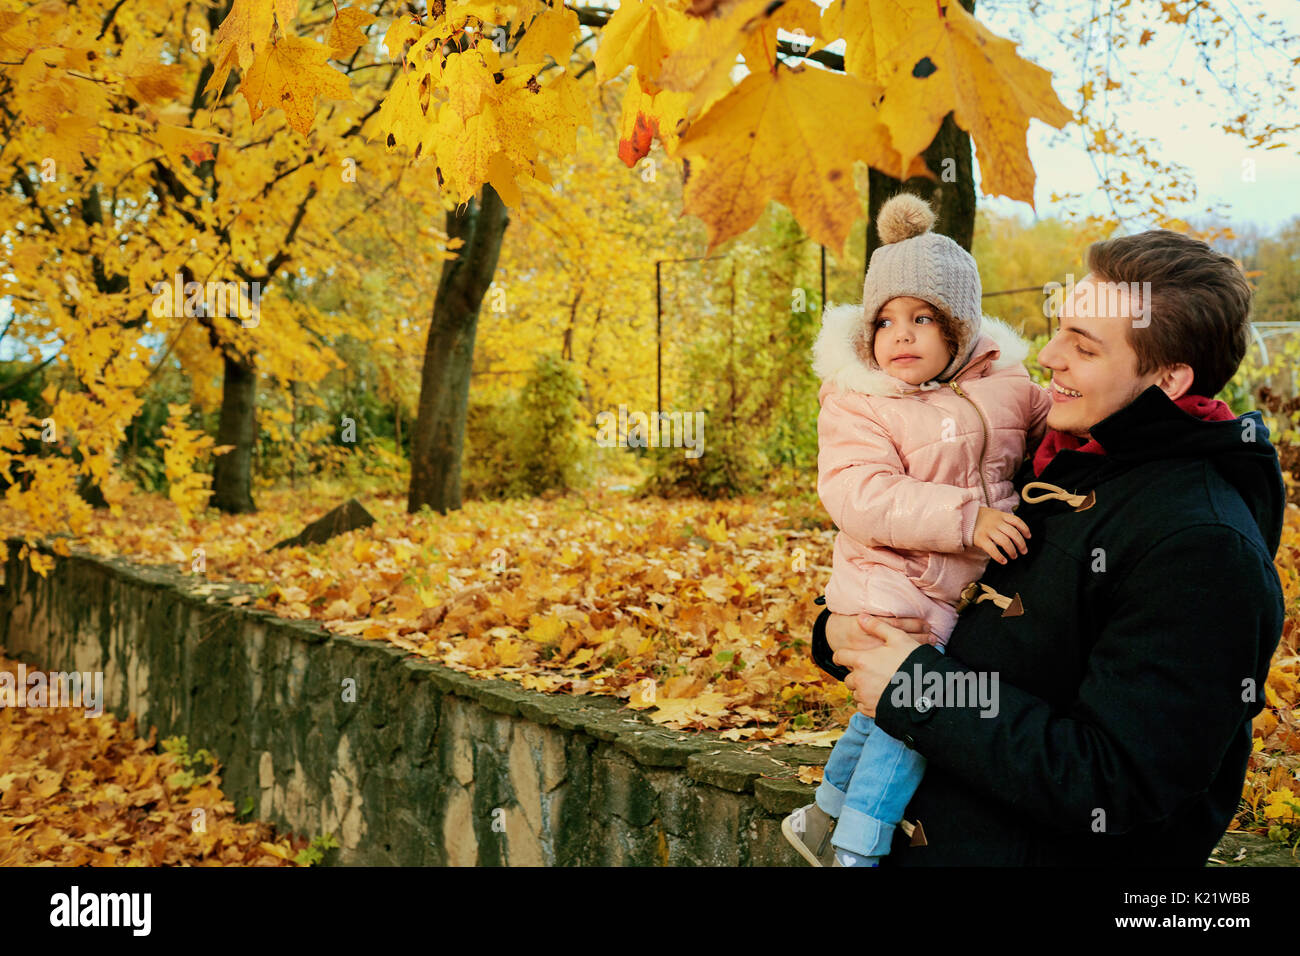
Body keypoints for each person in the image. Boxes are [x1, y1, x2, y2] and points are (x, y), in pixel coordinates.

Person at [809, 227, 1287, 866]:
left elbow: (1114, 782)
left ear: (1169, 379)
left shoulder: (1202, 548)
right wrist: (841, 628)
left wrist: (918, 690)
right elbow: (967, 590)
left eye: (1083, 347)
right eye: (1060, 328)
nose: (1048, 356)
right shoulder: (1068, 453)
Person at [781, 192, 1052, 867]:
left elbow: (1058, 428)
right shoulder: (862, 401)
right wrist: (967, 519)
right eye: (885, 321)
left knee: (879, 710)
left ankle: (822, 815)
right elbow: (859, 494)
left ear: (961, 329)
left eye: (923, 318)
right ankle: (858, 848)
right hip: (892, 580)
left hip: (949, 585)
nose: (900, 336)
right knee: (914, 712)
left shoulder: (1007, 382)